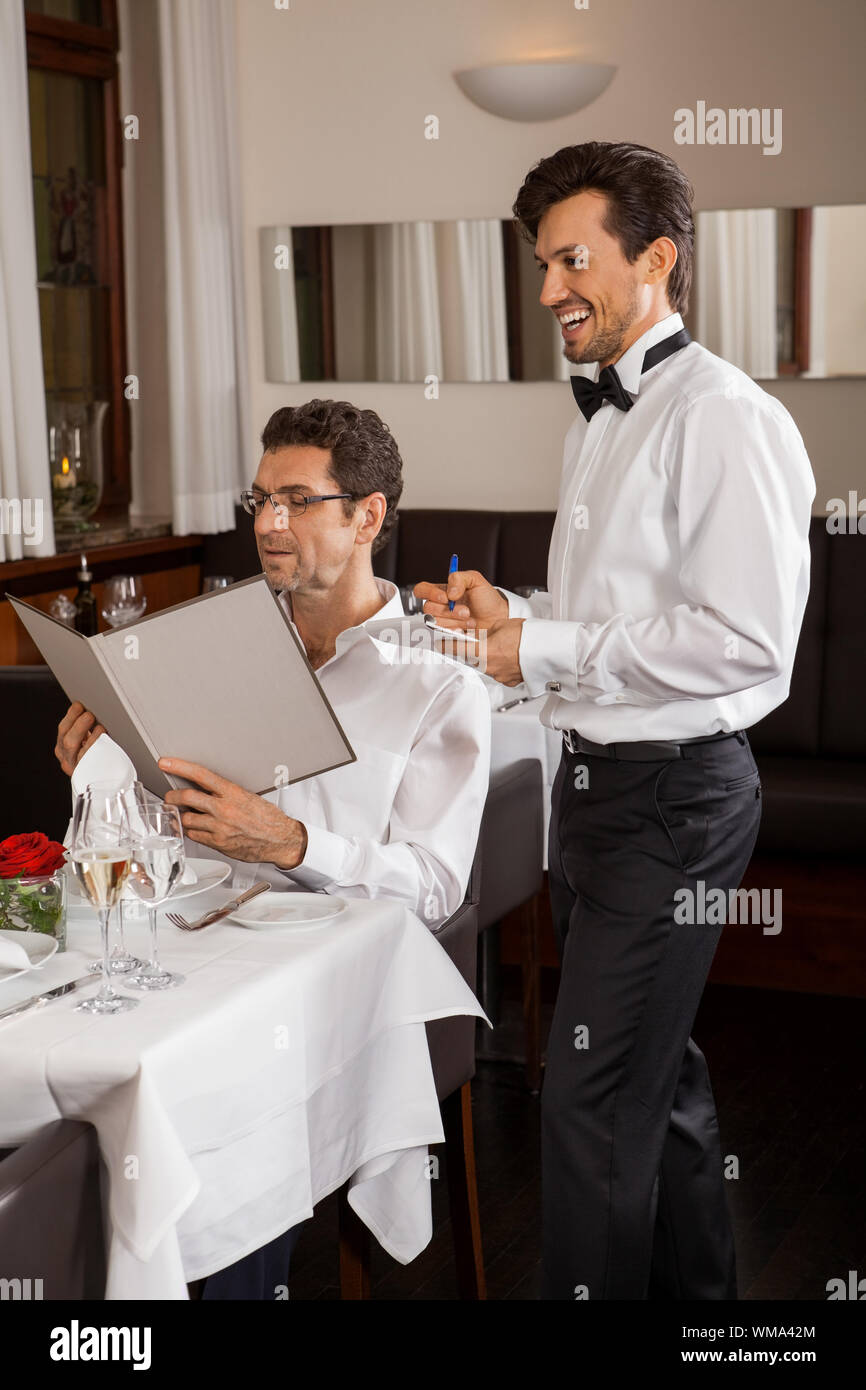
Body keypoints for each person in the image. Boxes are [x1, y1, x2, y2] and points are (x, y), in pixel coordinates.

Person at [417, 142, 815, 1301]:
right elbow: (619, 624)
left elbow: (745, 642)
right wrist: (516, 616)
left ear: (655, 258)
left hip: (674, 803)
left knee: (587, 1098)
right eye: (541, 264)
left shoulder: (723, 416)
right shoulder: (597, 416)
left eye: (571, 260)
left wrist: (538, 646)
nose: (548, 291)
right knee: (652, 1071)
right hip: (590, 793)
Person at [55, 398, 491, 1297]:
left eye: (295, 500)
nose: (268, 524)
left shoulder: (440, 683)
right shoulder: (211, 653)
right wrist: (98, 762)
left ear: (367, 515)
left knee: (222, 1112)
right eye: (260, 501)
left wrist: (293, 841)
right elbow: (151, 815)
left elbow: (437, 887)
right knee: (90, 1082)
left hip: (339, 982)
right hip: (194, 954)